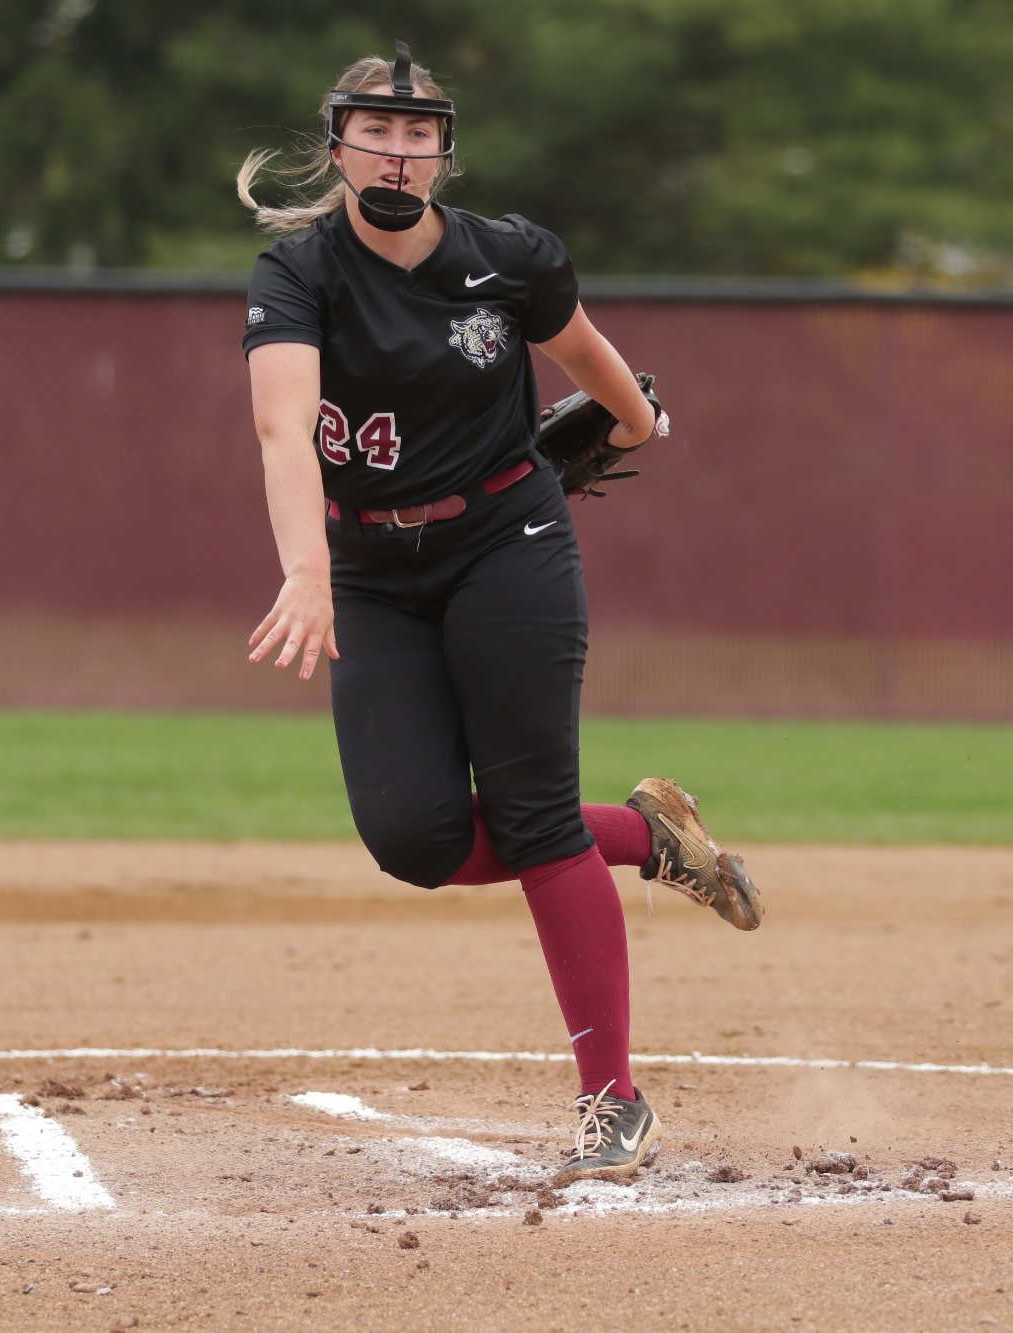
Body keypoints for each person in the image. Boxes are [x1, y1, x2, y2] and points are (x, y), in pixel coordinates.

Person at [234, 43, 762, 1184]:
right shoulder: (300, 274)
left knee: (527, 816)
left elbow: (586, 354)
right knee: (413, 838)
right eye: (374, 130)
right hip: (368, 570)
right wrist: (306, 571)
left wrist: (632, 424)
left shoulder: (504, 259)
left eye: (417, 135)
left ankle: (612, 1099)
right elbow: (284, 430)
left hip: (503, 542)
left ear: (441, 154)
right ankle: (647, 837)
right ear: (336, 146)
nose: (396, 151)